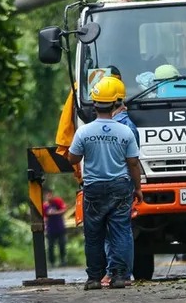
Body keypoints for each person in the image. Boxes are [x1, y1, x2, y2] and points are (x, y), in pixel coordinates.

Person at [66, 76, 143, 290]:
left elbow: (72, 158)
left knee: (94, 234)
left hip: (93, 188)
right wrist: (138, 188)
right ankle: (119, 276)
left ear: (94, 104)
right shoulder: (125, 131)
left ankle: (94, 279)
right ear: (115, 104)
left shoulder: (84, 131)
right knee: (120, 230)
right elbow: (133, 164)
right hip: (120, 186)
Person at [43, 190, 69, 268]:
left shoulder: (58, 201)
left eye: (50, 195)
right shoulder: (44, 205)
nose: (49, 197)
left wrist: (55, 212)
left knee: (62, 244)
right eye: (47, 195)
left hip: (60, 227)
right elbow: (44, 216)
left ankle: (63, 260)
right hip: (50, 228)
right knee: (50, 246)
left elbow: (64, 209)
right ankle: (52, 262)